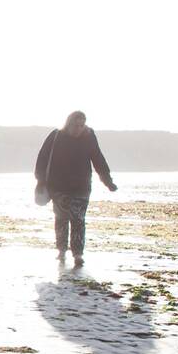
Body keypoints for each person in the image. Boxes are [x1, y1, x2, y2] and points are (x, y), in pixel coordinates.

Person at [35, 111, 117, 268]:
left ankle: (78, 254)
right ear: (68, 123)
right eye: (76, 125)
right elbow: (42, 158)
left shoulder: (89, 136)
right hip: (58, 187)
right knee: (61, 219)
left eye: (82, 125)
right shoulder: (57, 136)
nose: (78, 129)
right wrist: (40, 181)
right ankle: (61, 250)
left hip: (81, 187)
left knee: (78, 220)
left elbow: (98, 159)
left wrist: (108, 181)